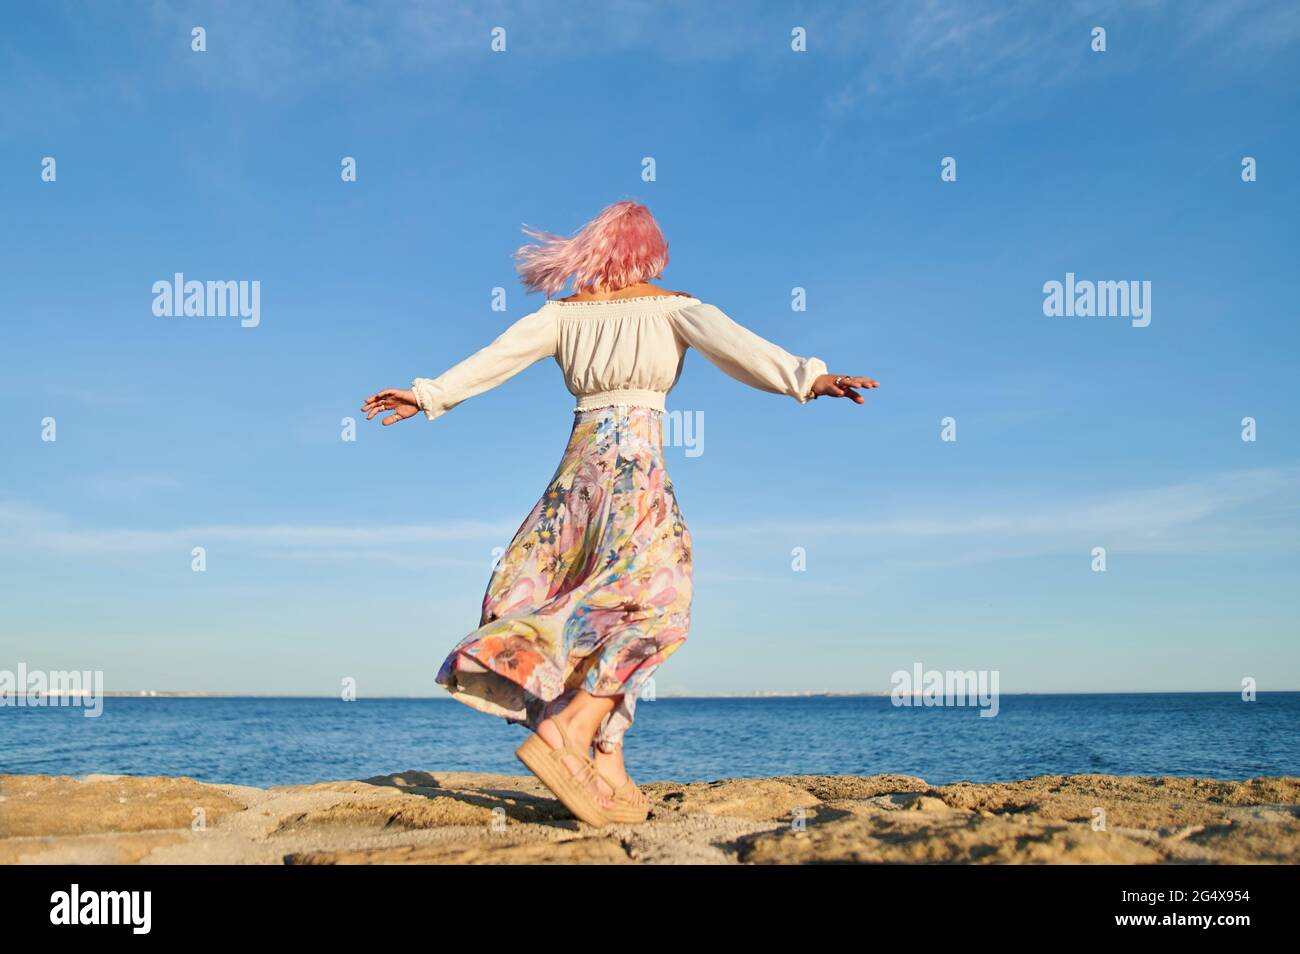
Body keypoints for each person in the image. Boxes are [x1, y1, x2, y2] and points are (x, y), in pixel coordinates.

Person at [362, 200, 878, 826]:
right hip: (634, 470)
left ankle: (608, 760)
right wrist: (810, 378)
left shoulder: (560, 317)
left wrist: (427, 395)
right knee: (658, 604)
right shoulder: (675, 307)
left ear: (593, 251)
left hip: (577, 478)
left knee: (597, 604)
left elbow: (494, 358)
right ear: (649, 254)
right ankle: (570, 731)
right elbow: (742, 351)